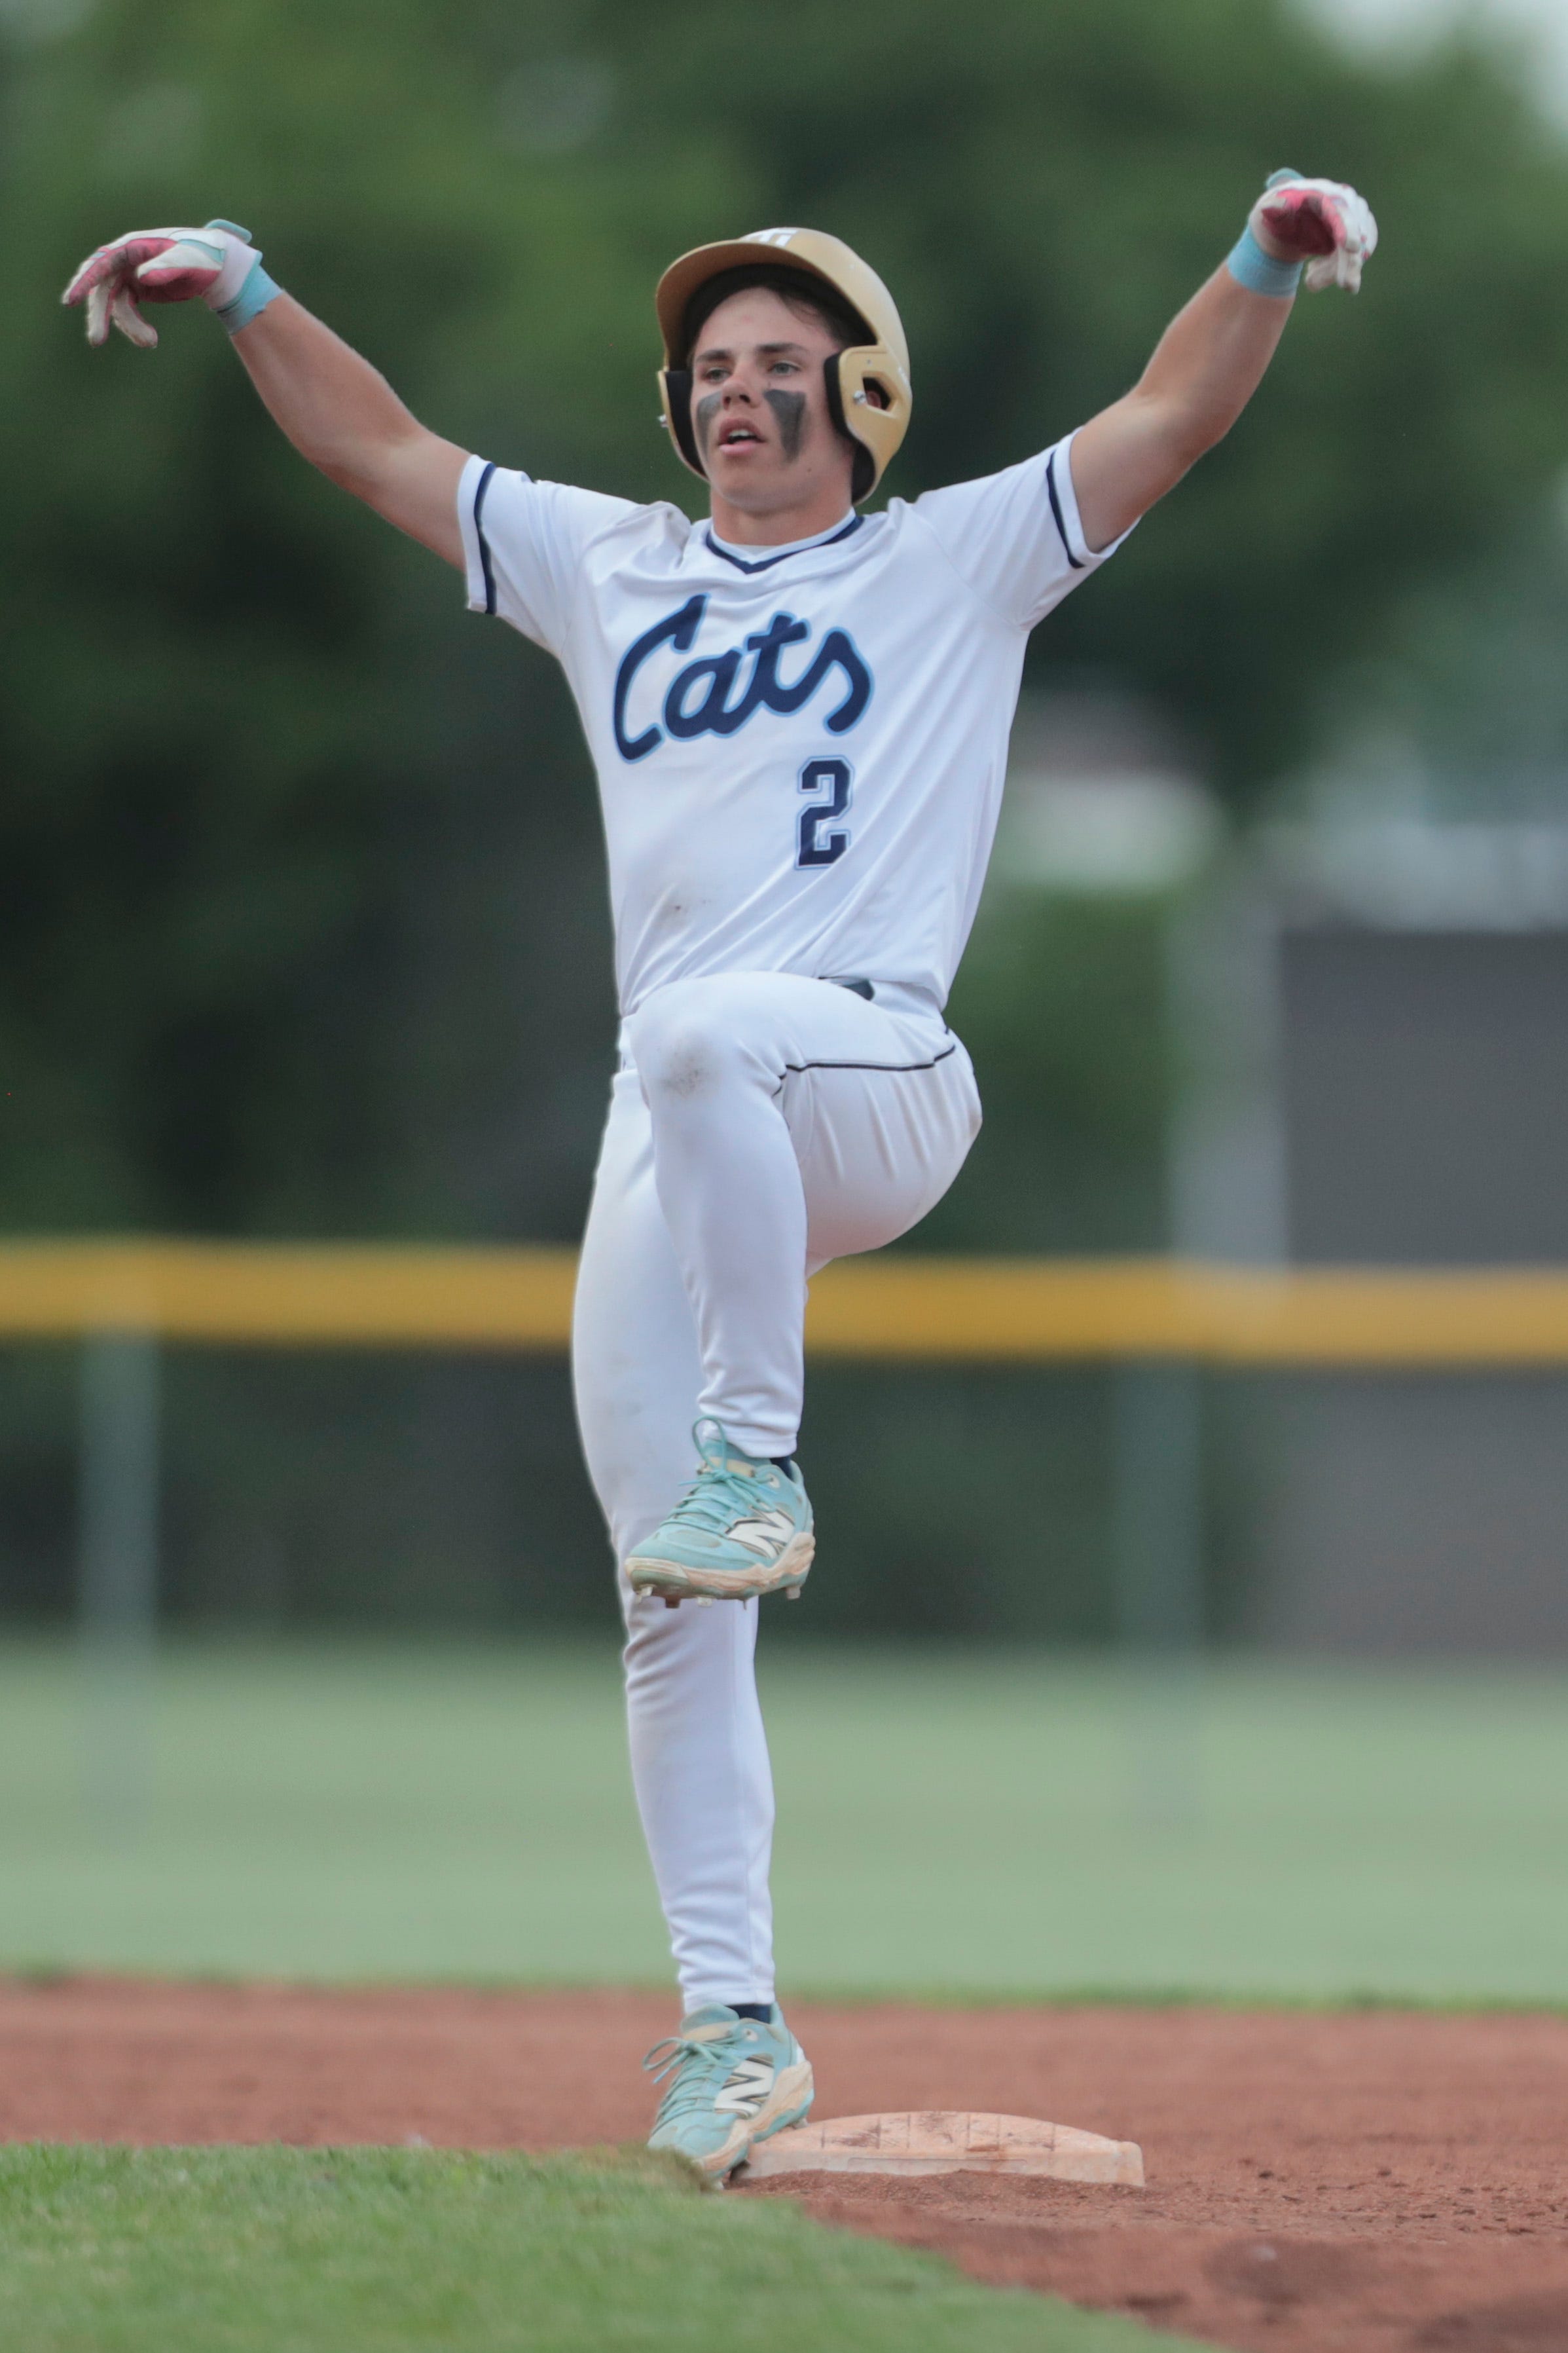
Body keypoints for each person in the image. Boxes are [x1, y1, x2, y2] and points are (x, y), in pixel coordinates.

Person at [64, 170, 1376, 2177]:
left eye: (779, 365)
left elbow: (1166, 416)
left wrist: (1262, 256)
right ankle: (733, 2029)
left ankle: (759, 1452)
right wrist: (247, 289)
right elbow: (379, 446)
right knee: (668, 1598)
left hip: (869, 1072)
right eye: (709, 372)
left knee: (705, 1038)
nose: (737, 395)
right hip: (673, 1131)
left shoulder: (950, 560)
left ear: (865, 390)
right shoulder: (611, 567)